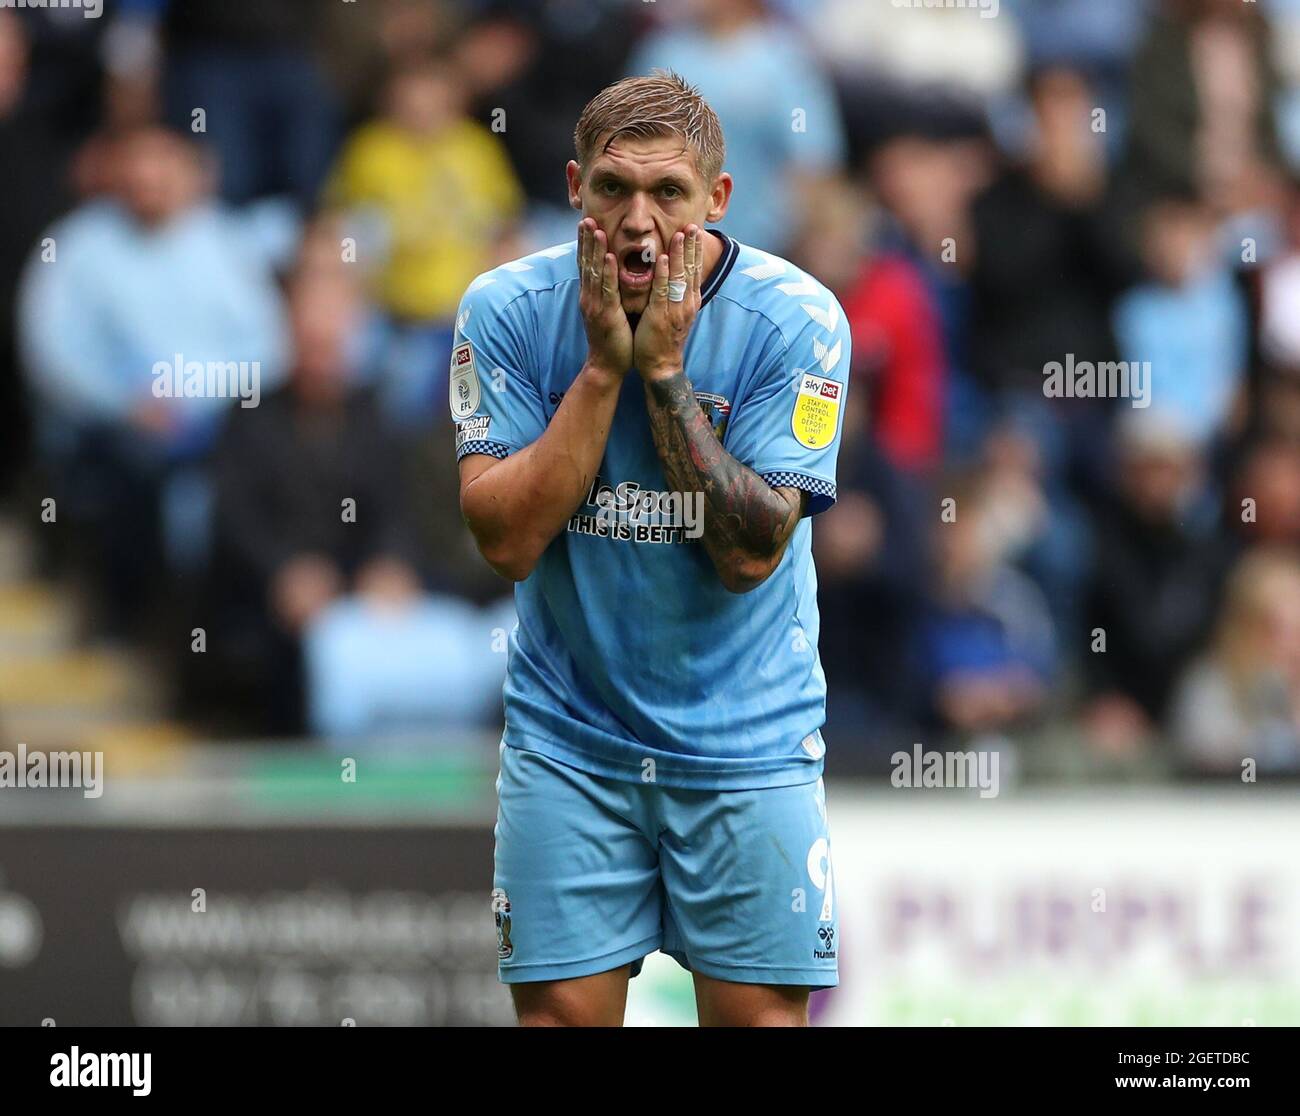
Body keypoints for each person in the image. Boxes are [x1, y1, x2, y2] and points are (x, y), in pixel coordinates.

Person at [454, 72, 852, 1026]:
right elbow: (505, 541)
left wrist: (665, 376)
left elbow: (749, 552)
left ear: (716, 197)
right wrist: (602, 369)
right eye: (612, 190)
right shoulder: (506, 310)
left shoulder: (797, 321)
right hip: (570, 739)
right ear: (573, 188)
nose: (639, 223)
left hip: (747, 741)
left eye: (667, 193)